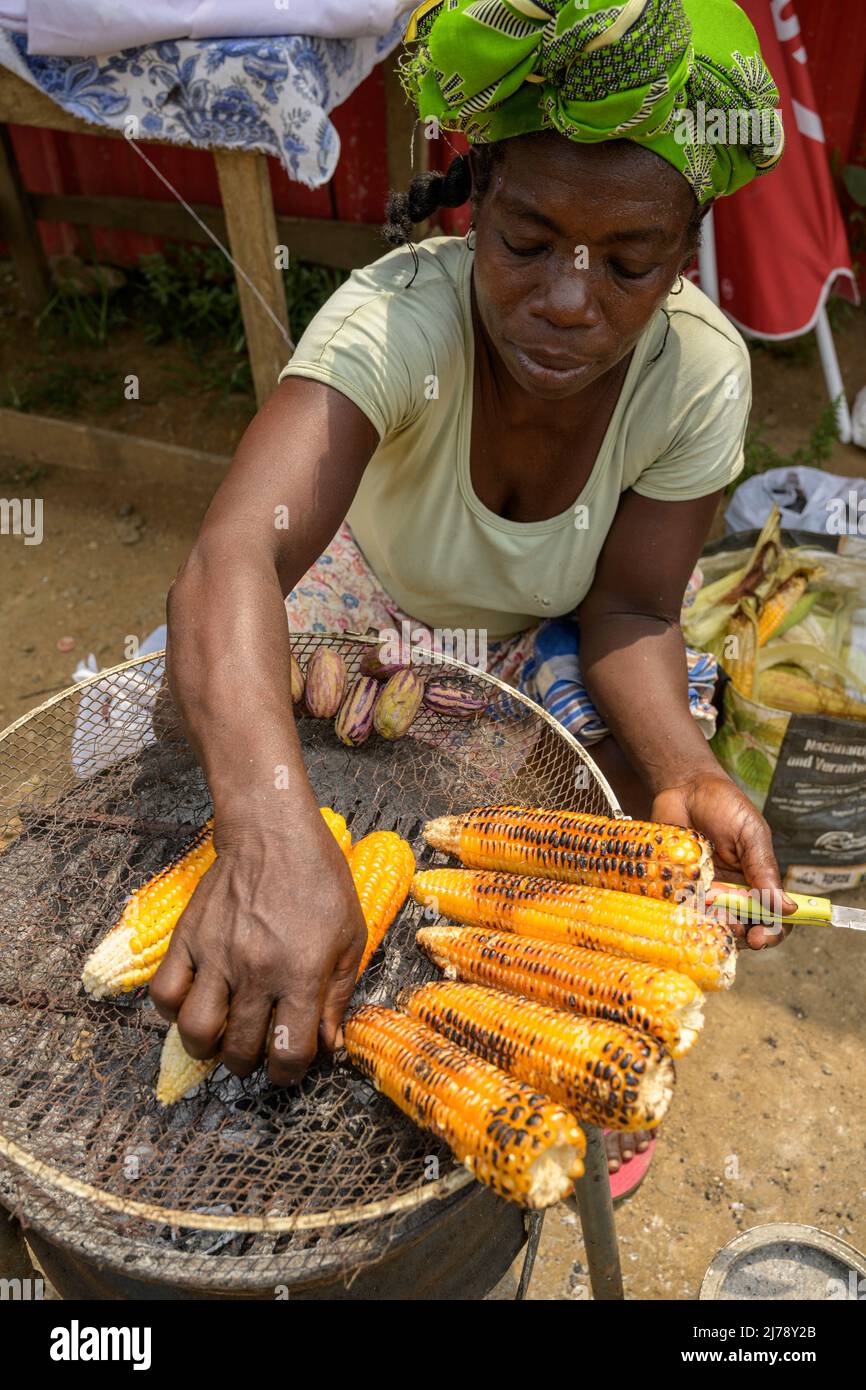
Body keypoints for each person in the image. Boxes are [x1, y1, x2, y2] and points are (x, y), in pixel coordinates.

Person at [154, 0, 794, 1182]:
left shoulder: (695, 375)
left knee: (619, 805)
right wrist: (267, 829)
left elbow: (636, 614)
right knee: (192, 709)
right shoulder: (397, 322)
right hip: (371, 605)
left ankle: (551, 1053)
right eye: (527, 240)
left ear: (685, 248)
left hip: (540, 636)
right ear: (474, 203)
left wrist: (685, 769)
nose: (566, 296)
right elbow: (230, 560)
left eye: (629, 261)